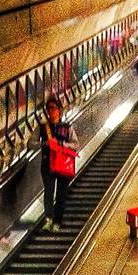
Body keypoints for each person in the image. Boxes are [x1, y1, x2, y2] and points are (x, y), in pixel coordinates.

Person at [36, 95, 78, 232]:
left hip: (63, 165)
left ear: (59, 110)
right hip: (47, 164)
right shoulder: (43, 128)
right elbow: (30, 143)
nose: (51, 111)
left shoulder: (67, 128)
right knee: (48, 193)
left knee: (61, 194)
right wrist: (43, 143)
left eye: (53, 108)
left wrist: (61, 144)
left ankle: (57, 222)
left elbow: (76, 145)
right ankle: (48, 219)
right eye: (48, 109)